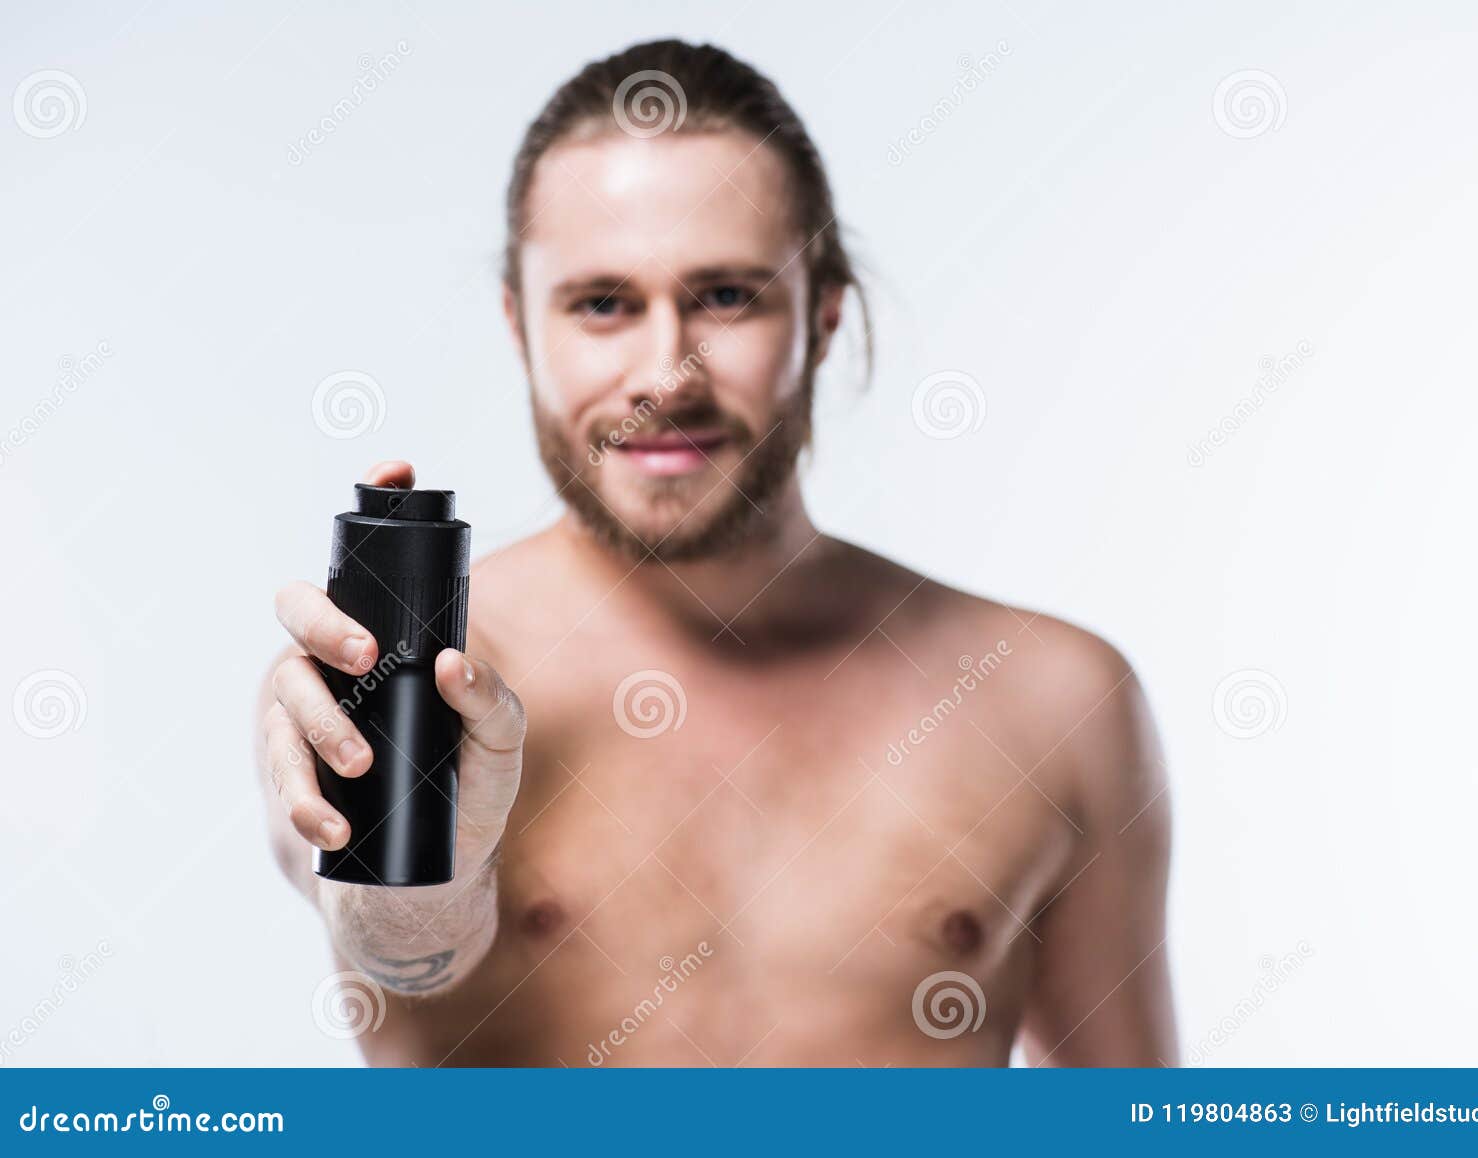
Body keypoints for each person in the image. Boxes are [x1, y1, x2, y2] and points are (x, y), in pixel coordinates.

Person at [255, 38, 1176, 1067]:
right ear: (520, 326)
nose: (666, 374)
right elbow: (397, 950)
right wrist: (424, 855)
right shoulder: (382, 679)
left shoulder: (1055, 701)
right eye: (602, 304)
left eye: (728, 296)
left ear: (824, 315)